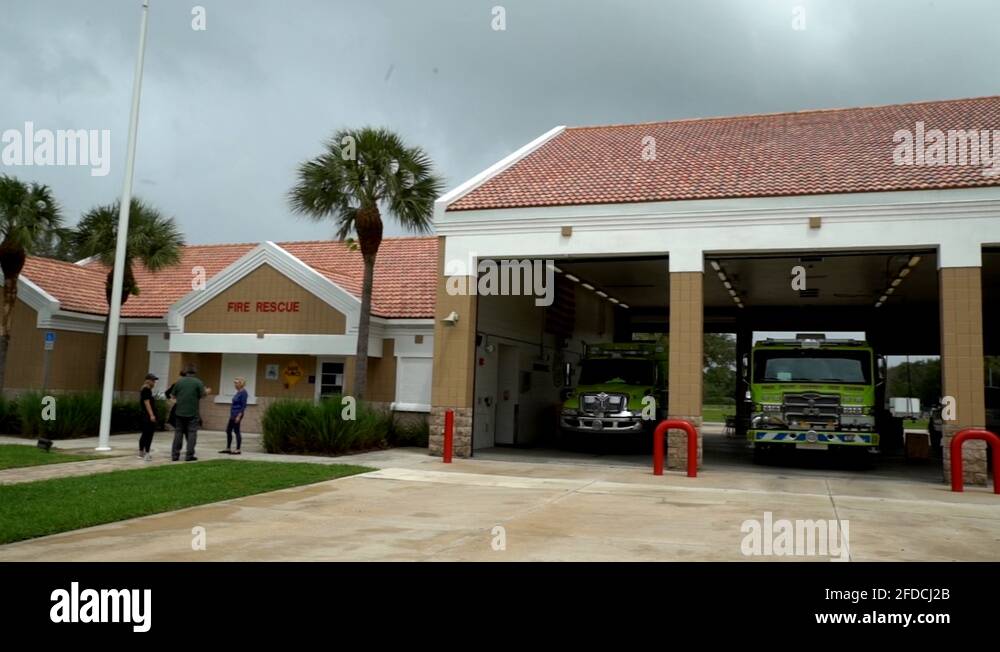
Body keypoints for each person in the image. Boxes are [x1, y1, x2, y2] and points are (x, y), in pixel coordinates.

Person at [170, 364, 211, 461]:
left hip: (179, 412)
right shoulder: (198, 382)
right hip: (192, 413)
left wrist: (179, 401)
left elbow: (172, 396)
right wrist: (207, 391)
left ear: (186, 371)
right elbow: (203, 395)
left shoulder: (179, 382)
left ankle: (175, 455)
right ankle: (189, 455)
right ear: (195, 372)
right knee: (192, 433)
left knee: (178, 433)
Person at [220, 377, 248, 455]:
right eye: (234, 383)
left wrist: (239, 416)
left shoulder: (243, 393)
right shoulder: (238, 392)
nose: (234, 384)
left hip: (237, 414)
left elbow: (243, 405)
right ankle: (228, 448)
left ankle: (238, 449)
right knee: (228, 430)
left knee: (236, 431)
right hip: (233, 414)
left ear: (241, 384)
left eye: (236, 383)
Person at [138, 373, 158, 461]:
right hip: (147, 415)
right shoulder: (146, 390)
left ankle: (142, 452)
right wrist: (152, 415)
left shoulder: (146, 390)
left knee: (145, 433)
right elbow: (147, 403)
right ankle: (146, 452)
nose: (154, 383)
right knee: (148, 434)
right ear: (148, 381)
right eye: (153, 381)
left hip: (145, 415)